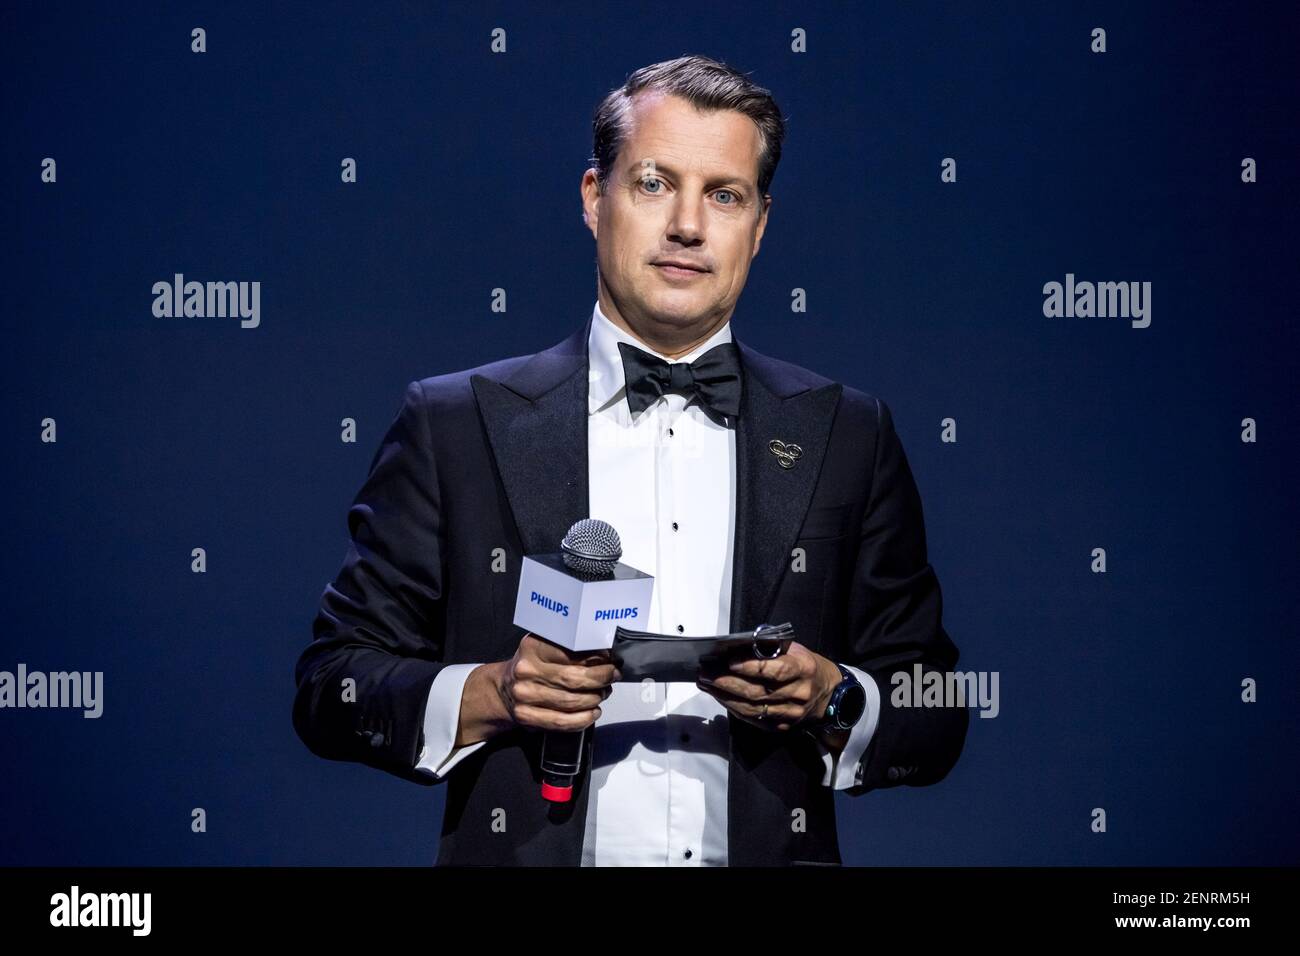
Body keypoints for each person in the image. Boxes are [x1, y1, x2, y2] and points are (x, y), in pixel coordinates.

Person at [293, 54, 968, 866]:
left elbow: (935, 711)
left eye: (725, 195)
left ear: (758, 226)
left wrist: (832, 697)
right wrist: (494, 693)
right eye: (654, 183)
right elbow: (331, 686)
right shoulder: (453, 423)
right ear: (594, 199)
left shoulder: (847, 433)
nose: (688, 224)